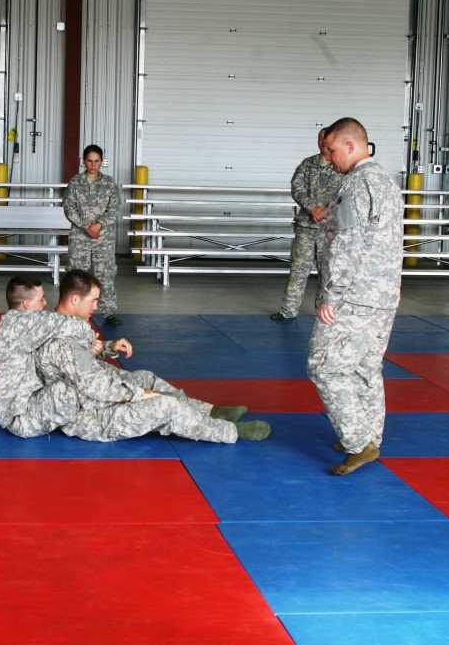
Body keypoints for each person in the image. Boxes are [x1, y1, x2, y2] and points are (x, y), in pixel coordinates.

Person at [33, 270, 270, 444]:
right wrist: (140, 395)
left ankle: (209, 412)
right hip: (87, 415)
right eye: (93, 301)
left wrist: (108, 347)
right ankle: (230, 431)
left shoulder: (65, 325)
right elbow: (93, 384)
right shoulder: (63, 340)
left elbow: (81, 359)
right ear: (75, 299)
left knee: (147, 378)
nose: (95, 307)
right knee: (163, 405)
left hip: (95, 394)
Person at [306, 118, 403, 475]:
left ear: (350, 146)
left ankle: (358, 443)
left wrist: (331, 295)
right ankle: (370, 435)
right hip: (383, 294)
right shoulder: (385, 181)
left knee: (325, 366)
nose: (328, 158)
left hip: (355, 294)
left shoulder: (358, 184)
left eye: (331, 150)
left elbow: (348, 244)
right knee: (365, 367)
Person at [0, 275, 107, 438]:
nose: (45, 303)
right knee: (76, 387)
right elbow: (68, 323)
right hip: (22, 418)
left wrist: (105, 347)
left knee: (73, 378)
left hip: (30, 404)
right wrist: (91, 338)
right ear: (27, 304)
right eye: (42, 298)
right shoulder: (19, 323)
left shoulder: (21, 327)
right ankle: (126, 399)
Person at [272, 128, 343, 320]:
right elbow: (297, 188)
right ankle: (288, 311)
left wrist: (326, 211)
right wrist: (312, 207)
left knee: (327, 272)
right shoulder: (307, 164)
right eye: (319, 138)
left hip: (329, 229)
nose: (322, 142)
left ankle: (322, 312)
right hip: (306, 226)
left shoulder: (342, 165)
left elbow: (346, 195)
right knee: (298, 270)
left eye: (325, 138)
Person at [63, 144, 122, 325]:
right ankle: (73, 311)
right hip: (80, 237)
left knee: (105, 273)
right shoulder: (75, 182)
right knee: (76, 275)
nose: (93, 164)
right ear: (83, 161)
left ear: (102, 162)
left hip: (103, 237)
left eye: (97, 161)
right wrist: (85, 226)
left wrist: (99, 225)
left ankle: (109, 311)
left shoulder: (109, 183)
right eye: (89, 161)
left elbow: (115, 209)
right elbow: (68, 207)